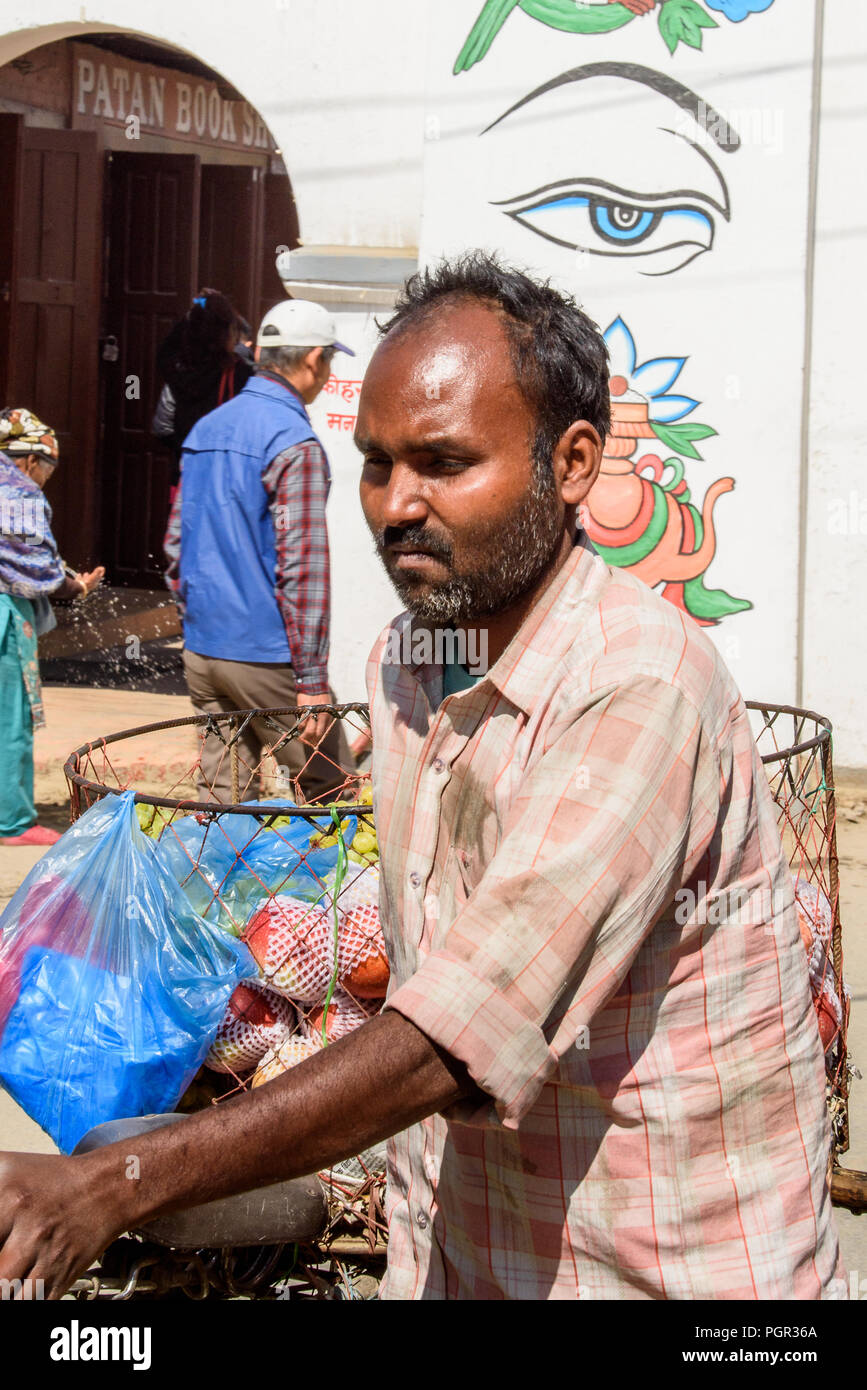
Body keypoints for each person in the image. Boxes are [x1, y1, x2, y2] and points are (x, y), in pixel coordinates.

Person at [0, 255, 841, 1300]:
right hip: (474, 1246)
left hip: (667, 1267)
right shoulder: (409, 658)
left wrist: (112, 1183)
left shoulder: (639, 680)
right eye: (377, 462)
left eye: (444, 462)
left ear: (573, 461)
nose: (397, 504)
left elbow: (451, 1040)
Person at [162, 299, 354, 804]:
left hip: (204, 650)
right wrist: (312, 681)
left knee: (225, 801)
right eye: (330, 361)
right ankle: (322, 887)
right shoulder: (295, 443)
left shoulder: (206, 430)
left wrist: (195, 622)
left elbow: (176, 546)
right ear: (314, 360)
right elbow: (303, 570)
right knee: (331, 788)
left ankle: (219, 885)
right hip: (266, 657)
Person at [0, 408, 104, 846]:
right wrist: (76, 587)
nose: (46, 478)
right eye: (48, 468)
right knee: (11, 717)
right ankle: (13, 822)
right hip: (5, 614)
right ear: (27, 460)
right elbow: (30, 563)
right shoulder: (17, 492)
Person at [153, 289, 254, 484]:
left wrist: (199, 304)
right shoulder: (241, 374)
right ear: (228, 333)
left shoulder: (177, 370)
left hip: (186, 477)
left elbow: (162, 428)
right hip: (224, 480)